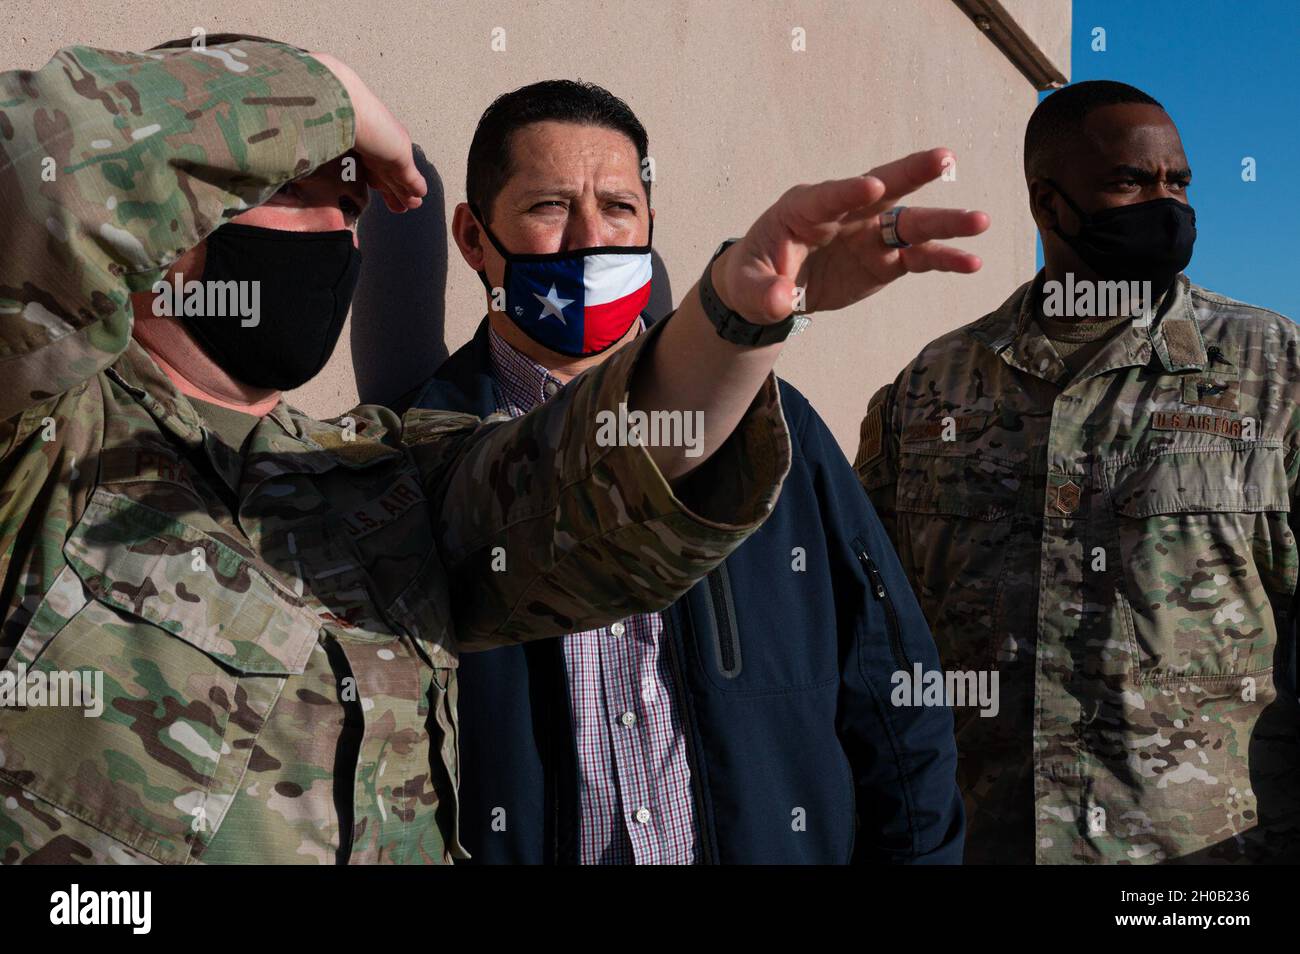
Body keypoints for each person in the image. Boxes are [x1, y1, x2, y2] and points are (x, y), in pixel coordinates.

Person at [0, 35, 986, 864]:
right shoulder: (44, 444)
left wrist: (736, 316)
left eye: (347, 202)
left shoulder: (372, 482)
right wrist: (322, 88)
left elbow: (592, 485)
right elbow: (27, 168)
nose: (330, 227)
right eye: (288, 185)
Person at [405, 80, 969, 864]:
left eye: (619, 208)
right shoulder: (419, 457)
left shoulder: (774, 430)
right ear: (473, 237)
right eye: (548, 208)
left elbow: (892, 689)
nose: (589, 239)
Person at [855, 80, 1300, 864]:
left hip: (1202, 859)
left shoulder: (1273, 370)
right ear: (1048, 203)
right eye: (1130, 182)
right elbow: (870, 625)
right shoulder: (935, 386)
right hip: (980, 841)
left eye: (1179, 183)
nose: (1166, 204)